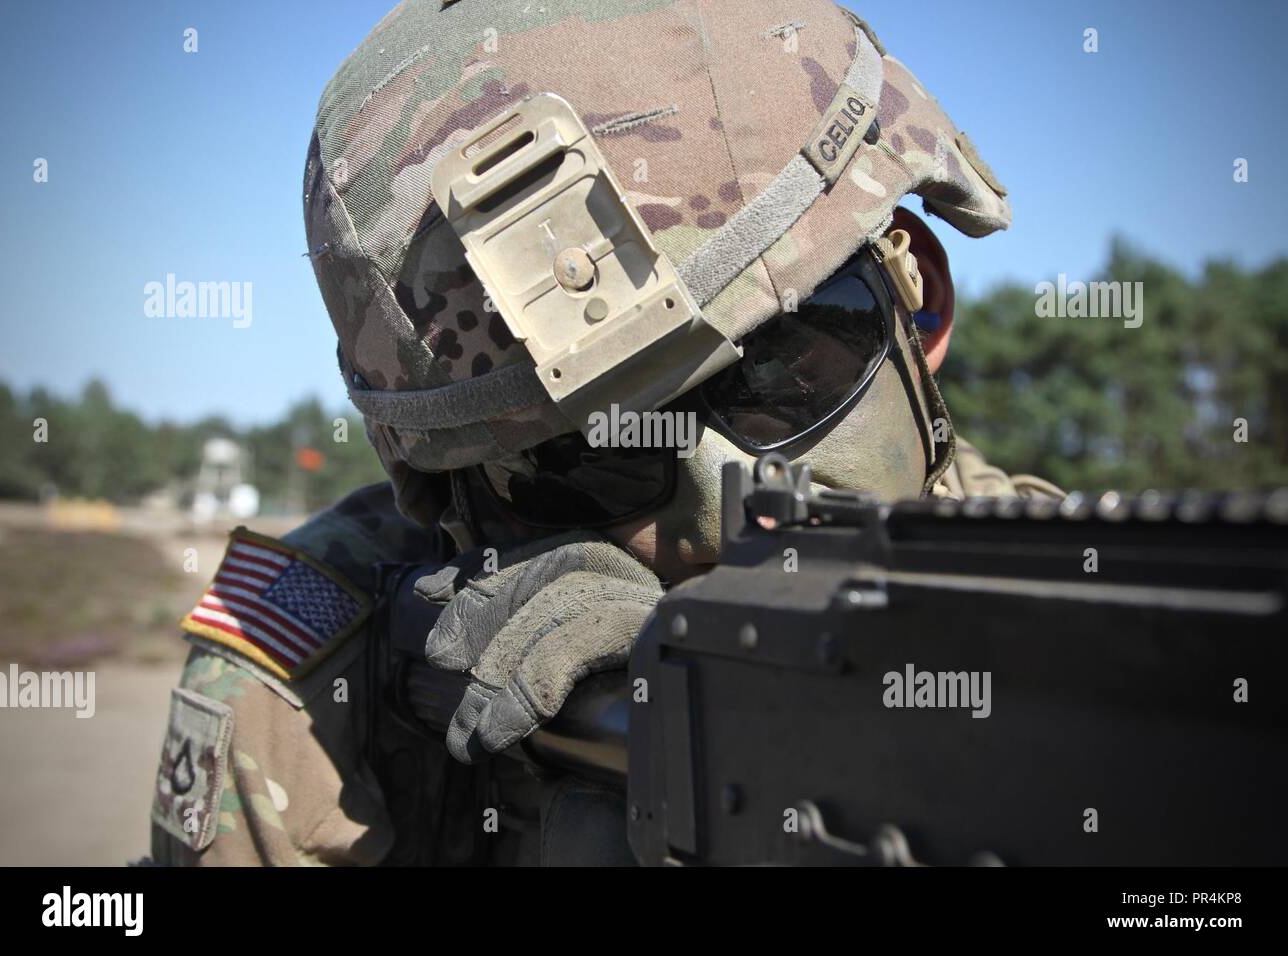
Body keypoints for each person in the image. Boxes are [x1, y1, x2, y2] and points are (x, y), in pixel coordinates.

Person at [150, 0, 1060, 866]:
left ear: (921, 303)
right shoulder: (316, 695)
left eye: (780, 378)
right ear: (449, 491)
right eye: (588, 461)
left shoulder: (1088, 636)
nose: (725, 513)